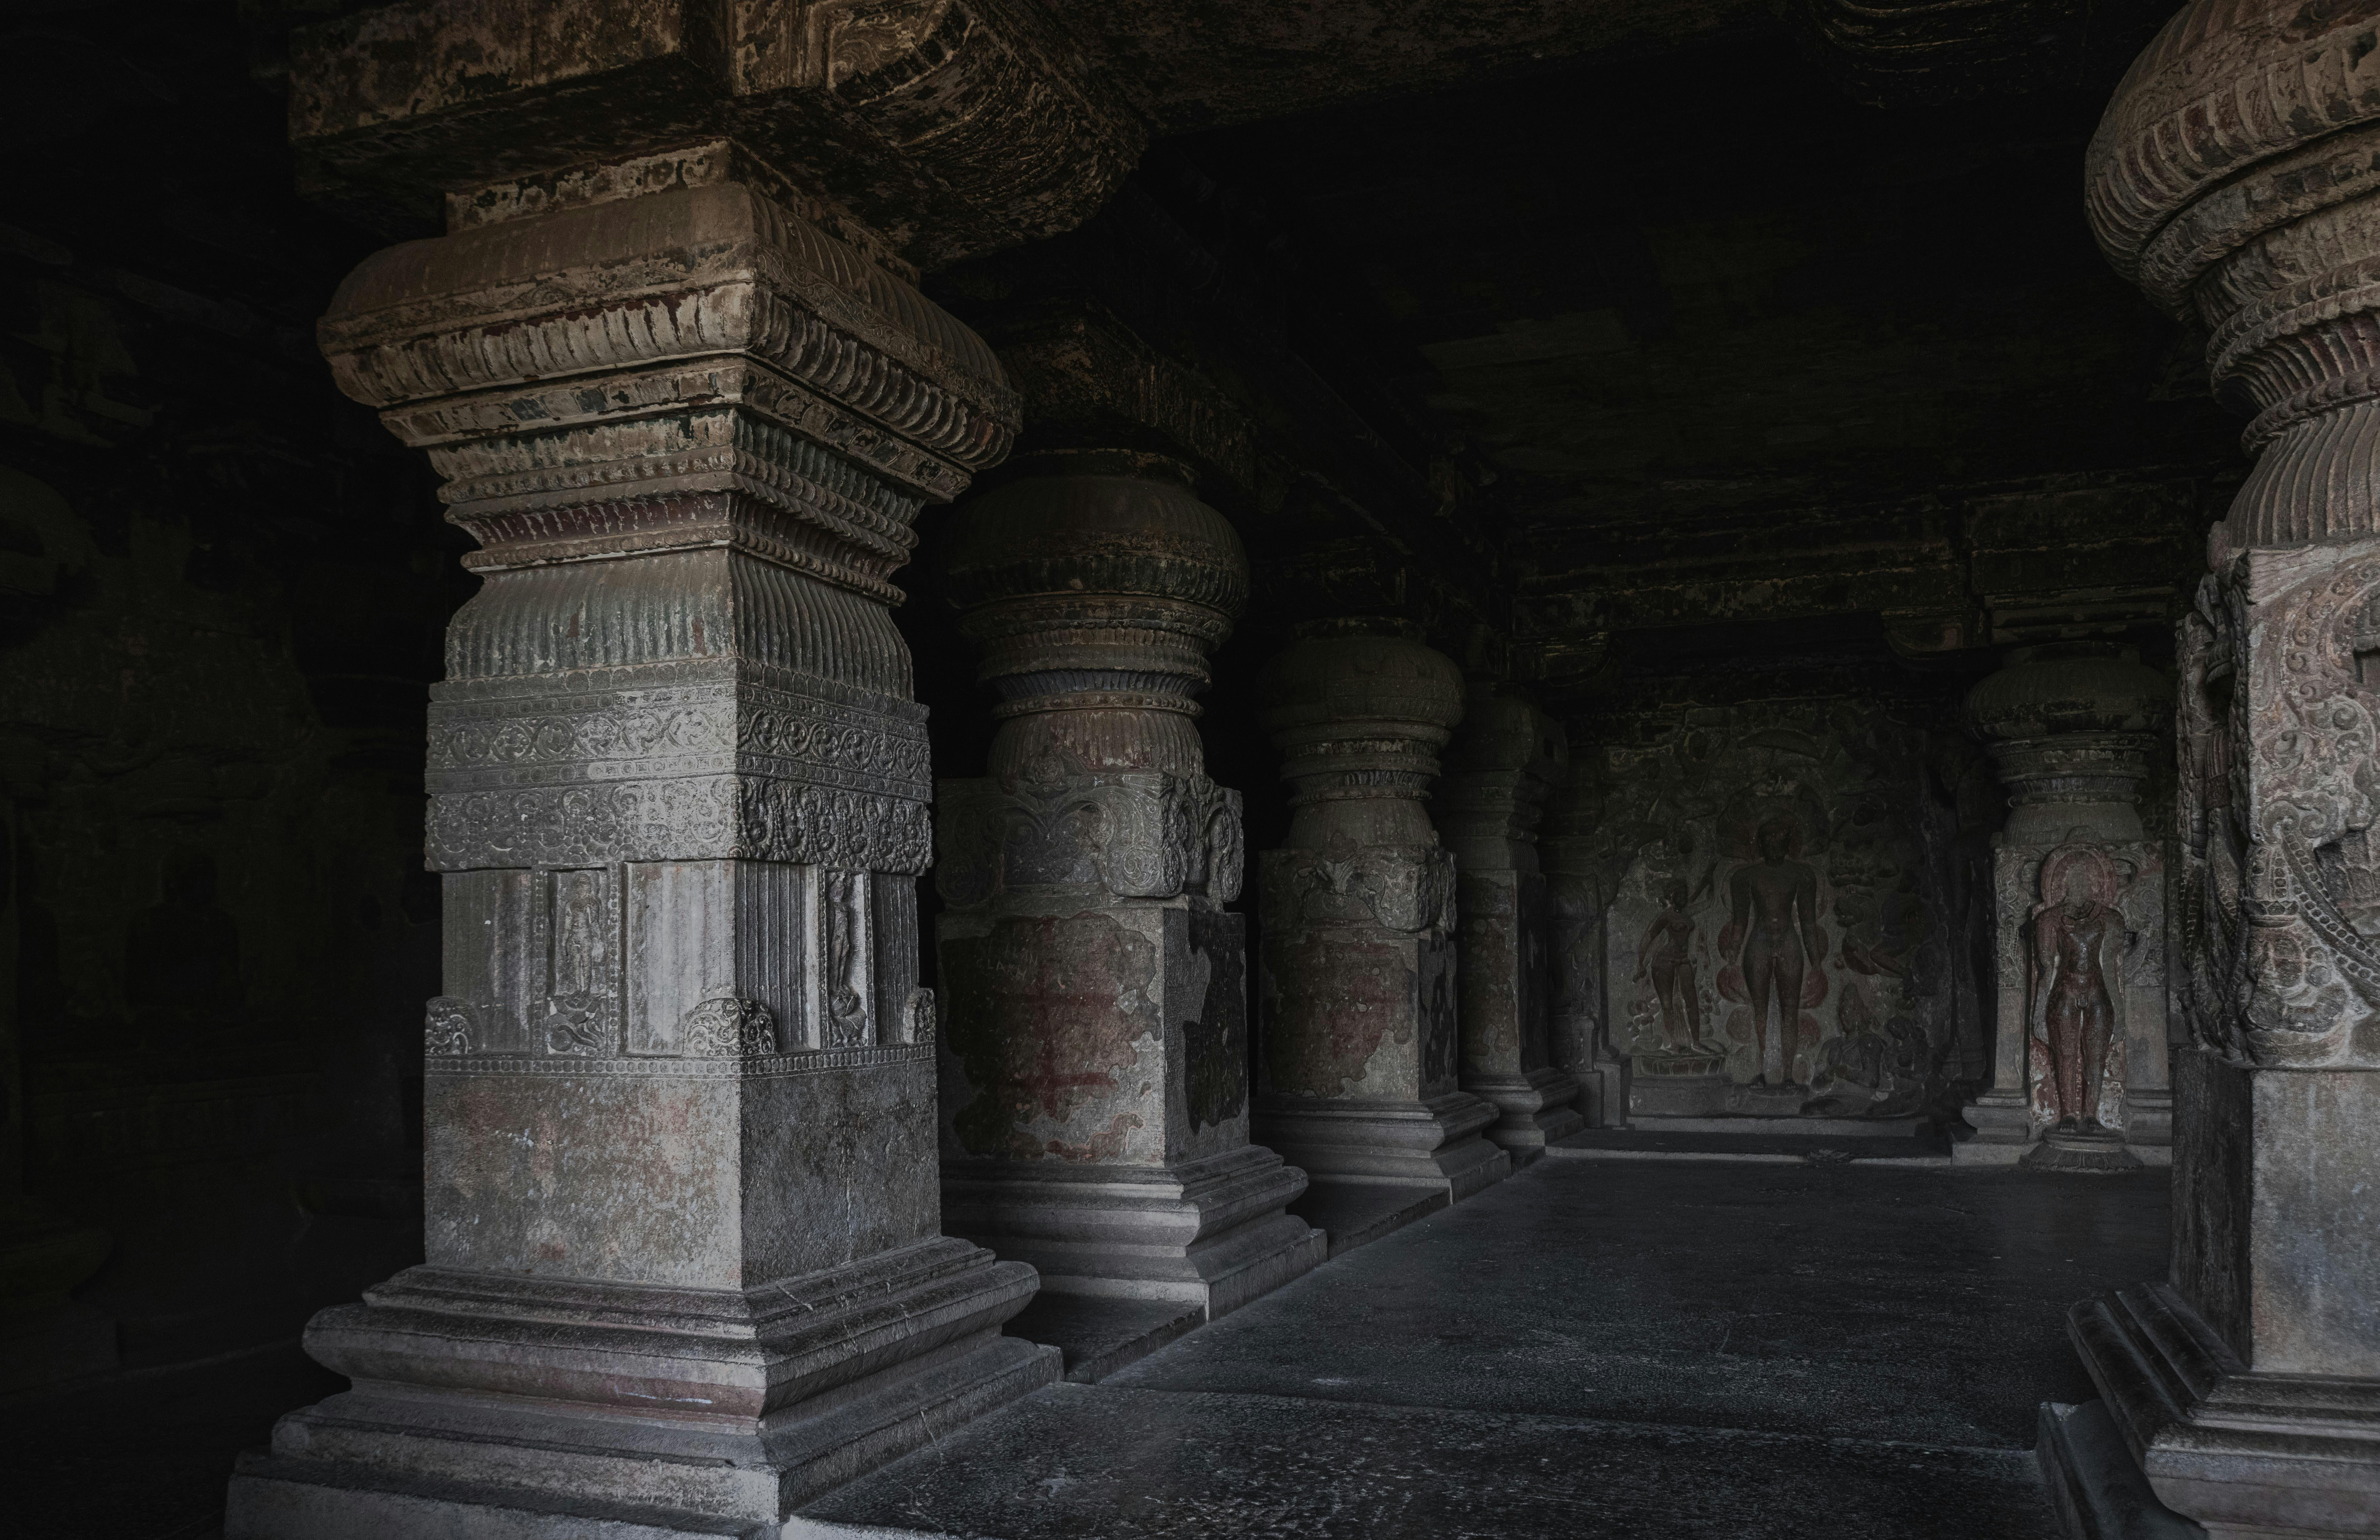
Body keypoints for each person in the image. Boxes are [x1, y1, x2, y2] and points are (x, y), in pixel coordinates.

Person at [1729, 819, 1824, 1086]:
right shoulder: (1746, 876)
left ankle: (1787, 1075)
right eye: (1768, 843)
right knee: (1760, 1009)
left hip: (1788, 940)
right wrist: (1732, 955)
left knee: (1789, 1011)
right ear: (1760, 844)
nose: (1774, 848)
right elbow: (1740, 921)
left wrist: (1817, 963)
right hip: (1759, 939)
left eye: (1779, 843)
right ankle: (1762, 1070)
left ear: (1788, 844)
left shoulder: (1801, 874)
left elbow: (1808, 922)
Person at [2032, 848, 2119, 1133]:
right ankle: (2069, 1113)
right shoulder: (2050, 920)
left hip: (2097, 990)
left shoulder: (2109, 918)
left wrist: (2122, 1009)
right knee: (2065, 1054)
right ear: (2063, 884)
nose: (2080, 884)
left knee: (2096, 1055)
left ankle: (2092, 1115)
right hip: (2066, 989)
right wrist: (2038, 1013)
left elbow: (2111, 967)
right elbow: (2046, 971)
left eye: (2086, 879)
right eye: (2074, 878)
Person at [1632, 877, 1709, 1052]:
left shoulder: (1687, 913)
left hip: (1683, 959)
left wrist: (1710, 878)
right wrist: (1640, 963)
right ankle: (1673, 1042)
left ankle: (1696, 1042)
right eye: (1679, 895)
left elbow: (1708, 903)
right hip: (1664, 961)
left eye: (1685, 894)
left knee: (1692, 1000)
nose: (1683, 898)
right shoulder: (1666, 916)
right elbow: (1647, 939)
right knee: (1667, 1004)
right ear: (1671, 897)